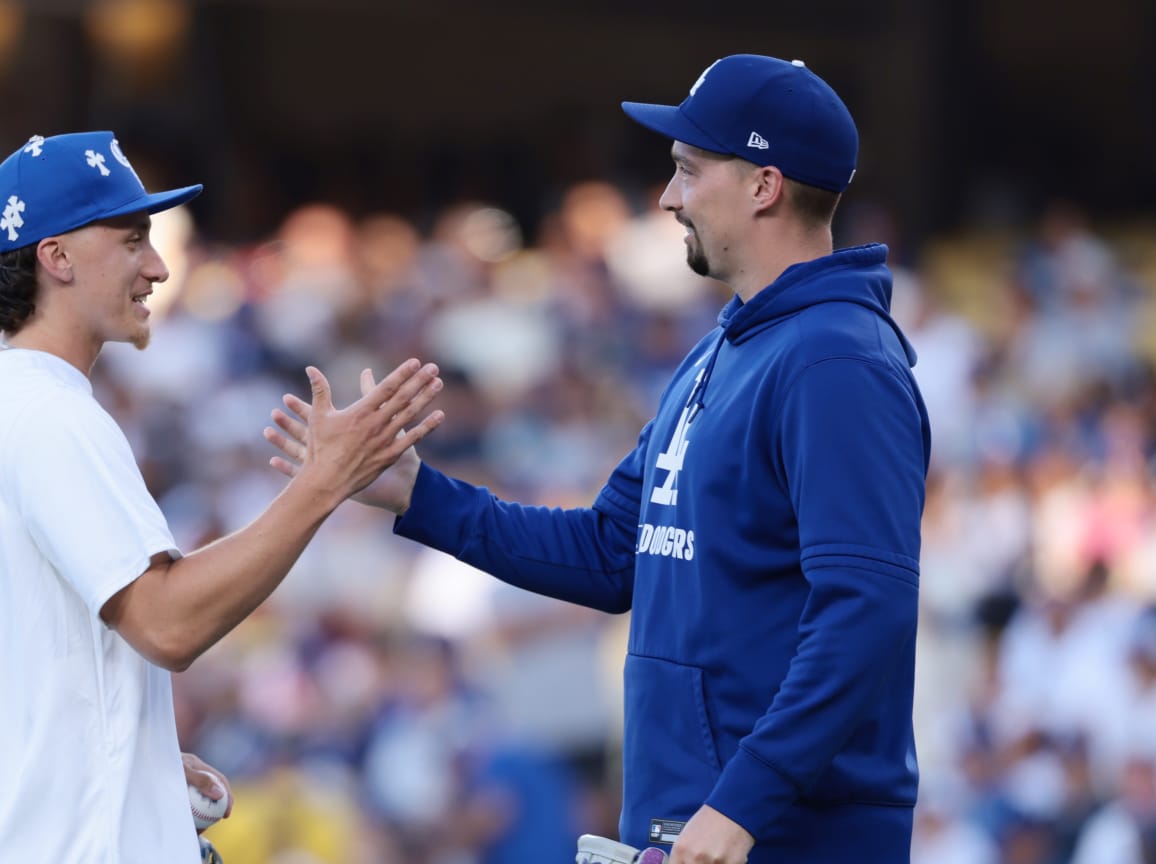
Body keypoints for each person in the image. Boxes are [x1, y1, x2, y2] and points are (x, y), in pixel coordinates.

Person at [267, 55, 930, 862]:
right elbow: (611, 551)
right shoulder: (728, 344)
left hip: (782, 838)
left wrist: (742, 805)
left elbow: (867, 609)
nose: (668, 197)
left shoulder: (835, 361)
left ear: (764, 185)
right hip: (694, 828)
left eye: (688, 170)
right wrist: (416, 494)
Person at [0, 131, 443, 863]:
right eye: (132, 240)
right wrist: (323, 485)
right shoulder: (48, 412)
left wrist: (122, 759)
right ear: (57, 257)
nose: (156, 266)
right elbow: (168, 625)